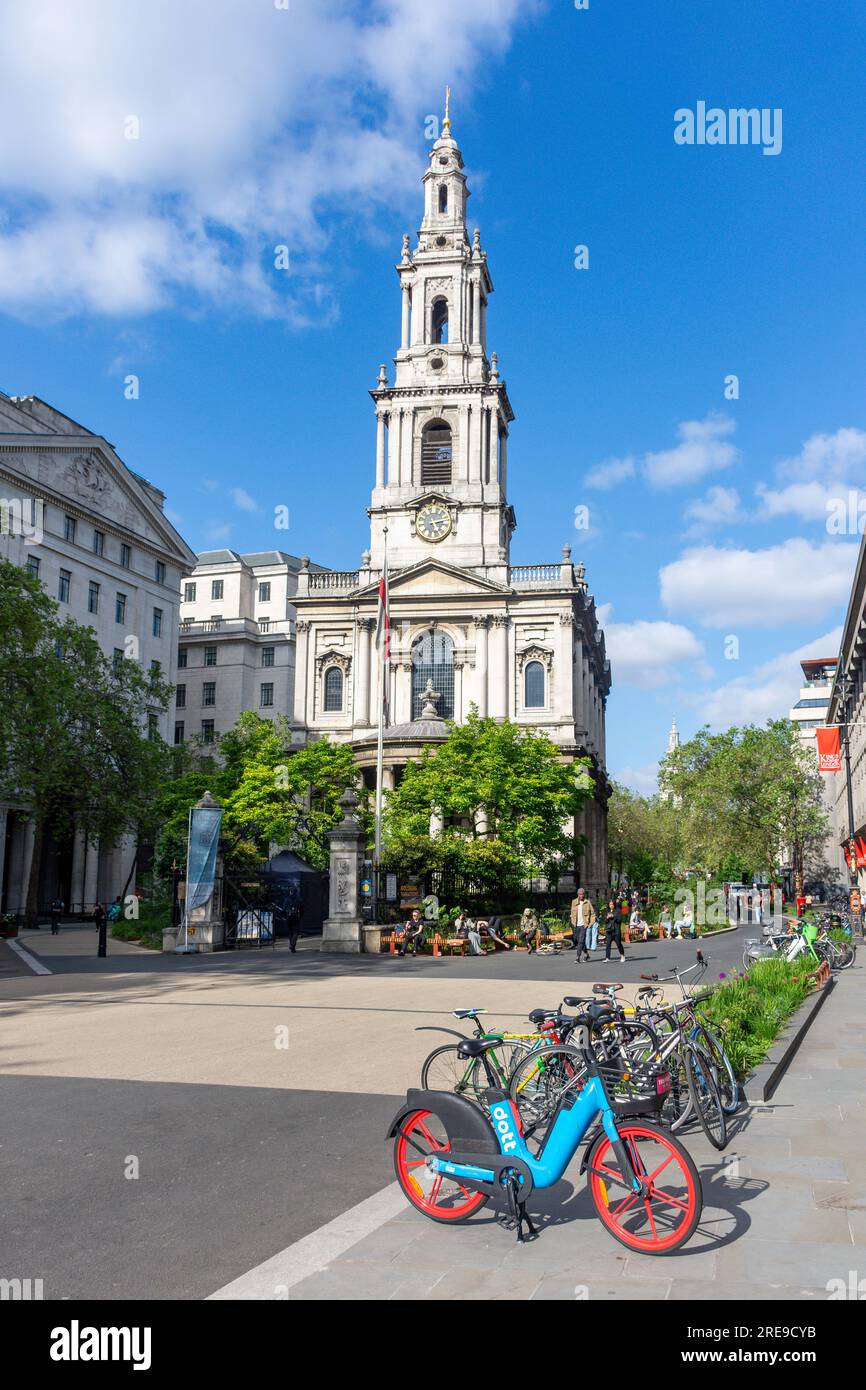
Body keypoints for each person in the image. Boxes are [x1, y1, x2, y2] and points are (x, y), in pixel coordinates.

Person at [569, 887, 596, 961]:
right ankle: (587, 955)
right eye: (580, 894)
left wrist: (590, 924)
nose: (582, 895)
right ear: (578, 894)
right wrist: (572, 921)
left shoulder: (587, 902)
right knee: (578, 940)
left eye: (583, 894)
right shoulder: (574, 902)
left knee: (581, 941)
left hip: (584, 925)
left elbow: (593, 914)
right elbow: (572, 913)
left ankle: (578, 957)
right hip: (576, 925)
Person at [604, 897, 625, 964]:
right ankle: (607, 958)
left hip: (616, 930)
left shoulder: (618, 911)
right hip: (609, 930)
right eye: (610, 904)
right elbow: (605, 921)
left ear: (614, 904)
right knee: (608, 944)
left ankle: (622, 955)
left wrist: (613, 916)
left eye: (612, 904)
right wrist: (607, 918)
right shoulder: (607, 911)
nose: (611, 906)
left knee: (618, 943)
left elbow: (620, 920)